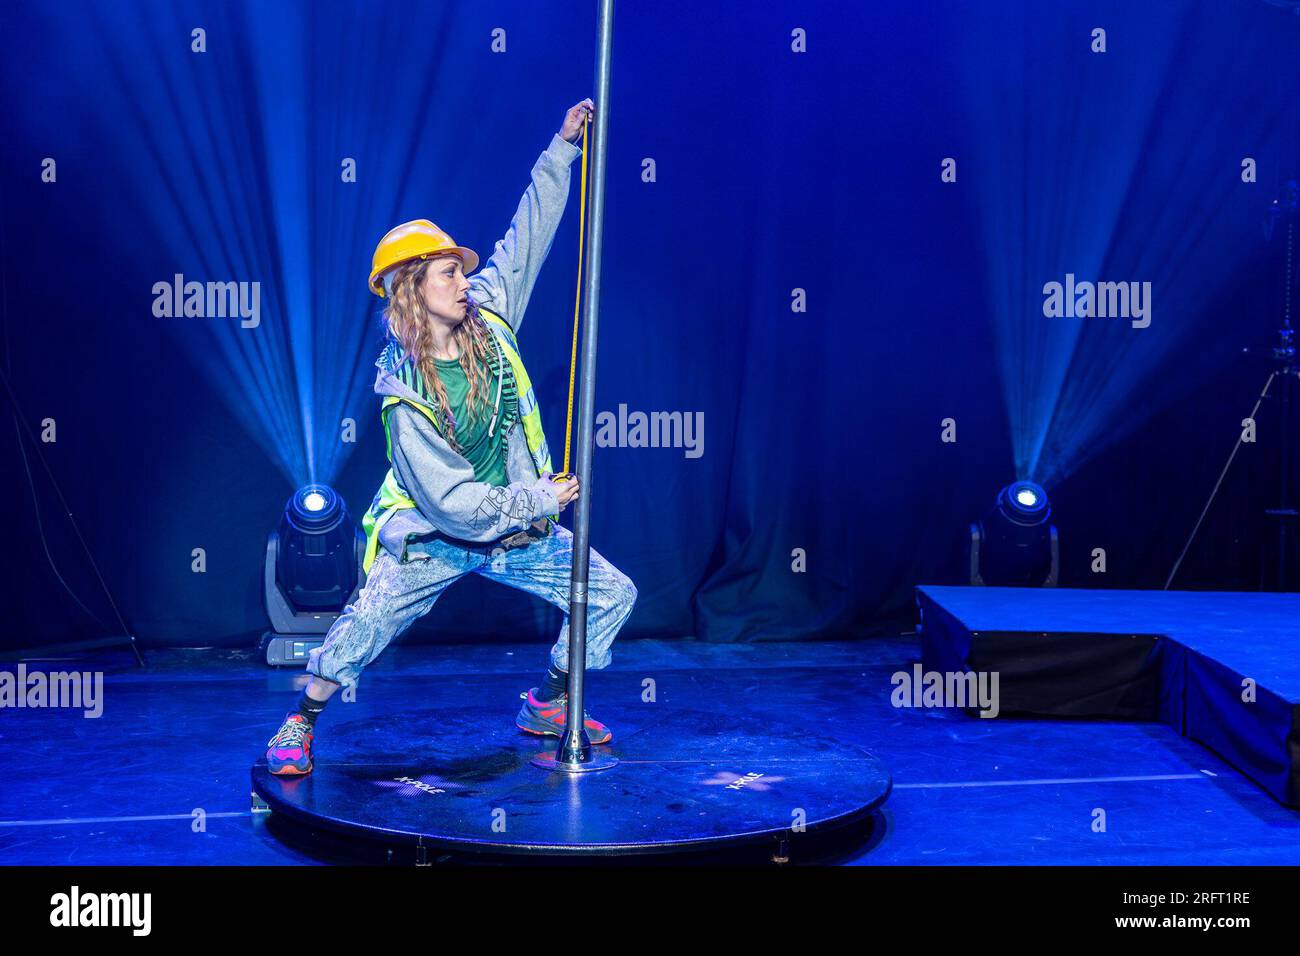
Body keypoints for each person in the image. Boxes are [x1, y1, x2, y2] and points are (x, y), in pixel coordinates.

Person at [264, 99, 637, 776]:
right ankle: (301, 719)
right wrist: (537, 500)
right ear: (411, 290)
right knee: (362, 629)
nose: (464, 281)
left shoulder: (489, 316)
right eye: (448, 273)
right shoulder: (402, 396)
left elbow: (527, 236)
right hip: (438, 537)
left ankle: (546, 703)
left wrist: (563, 148)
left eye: (462, 271)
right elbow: (454, 507)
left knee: (610, 594)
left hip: (516, 531)